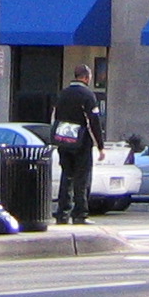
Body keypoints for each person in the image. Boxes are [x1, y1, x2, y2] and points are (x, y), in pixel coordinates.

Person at [49, 66, 106, 225]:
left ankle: (62, 213)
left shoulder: (63, 94)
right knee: (82, 178)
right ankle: (80, 214)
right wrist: (100, 147)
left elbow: (55, 117)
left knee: (66, 176)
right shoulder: (87, 95)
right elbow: (93, 122)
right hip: (81, 143)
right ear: (87, 78)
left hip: (64, 140)